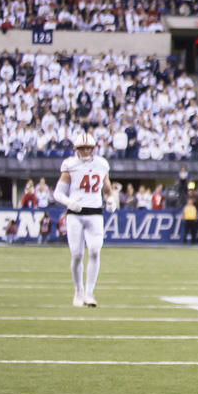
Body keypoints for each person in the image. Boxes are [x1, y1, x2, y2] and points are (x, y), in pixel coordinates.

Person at [52, 131, 116, 307]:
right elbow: (57, 193)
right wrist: (68, 202)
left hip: (95, 212)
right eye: (83, 148)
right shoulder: (70, 165)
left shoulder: (102, 164)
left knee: (95, 251)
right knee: (78, 254)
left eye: (89, 148)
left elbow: (107, 189)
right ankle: (78, 290)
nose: (86, 151)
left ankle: (89, 293)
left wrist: (110, 200)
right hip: (75, 214)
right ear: (76, 149)